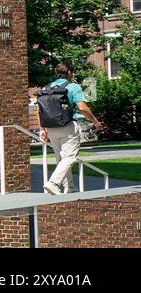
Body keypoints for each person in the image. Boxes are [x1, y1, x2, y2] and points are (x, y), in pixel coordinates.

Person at [36, 63, 101, 195]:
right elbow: (82, 107)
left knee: (61, 159)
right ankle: (53, 183)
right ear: (70, 72)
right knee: (70, 157)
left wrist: (42, 129)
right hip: (68, 126)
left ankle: (70, 187)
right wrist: (95, 121)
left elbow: (39, 111)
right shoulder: (73, 87)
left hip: (51, 128)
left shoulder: (46, 88)